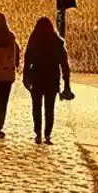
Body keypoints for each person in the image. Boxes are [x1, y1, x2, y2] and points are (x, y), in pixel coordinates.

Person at [23, 16, 72, 144]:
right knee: (50, 108)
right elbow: (64, 65)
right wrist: (66, 84)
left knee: (36, 106)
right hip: (52, 78)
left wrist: (26, 77)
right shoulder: (57, 42)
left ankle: (38, 132)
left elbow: (27, 60)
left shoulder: (34, 41)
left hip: (37, 77)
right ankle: (47, 134)